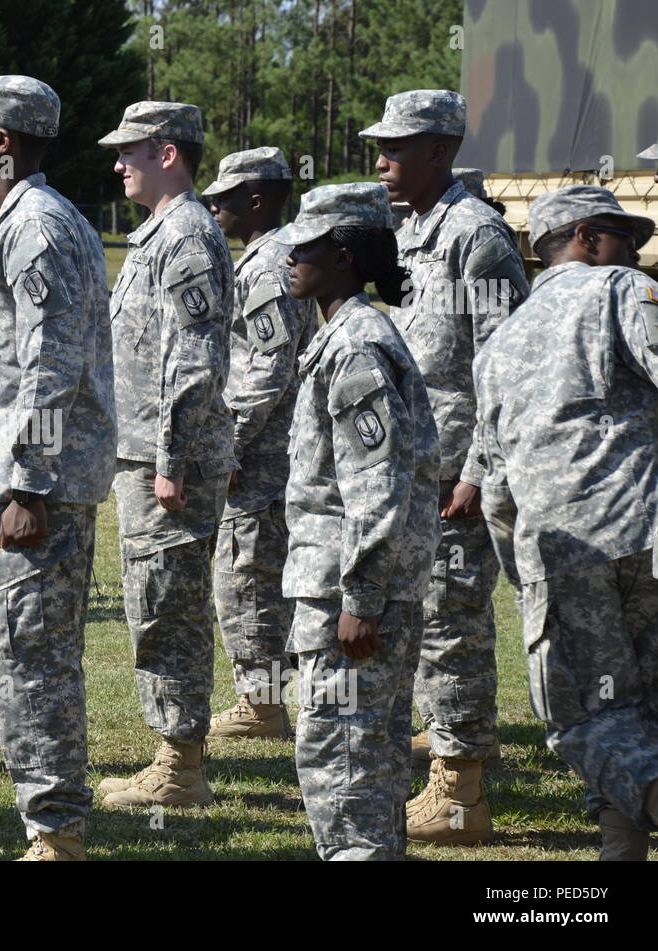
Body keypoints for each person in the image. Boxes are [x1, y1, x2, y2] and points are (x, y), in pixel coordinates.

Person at [0, 75, 115, 860]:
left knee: (32, 660)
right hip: (21, 480)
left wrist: (28, 482)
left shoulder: (37, 227)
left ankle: (57, 838)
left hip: (34, 489)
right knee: (22, 655)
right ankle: (50, 828)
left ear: (3, 141)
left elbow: (51, 366)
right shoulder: (19, 222)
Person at [359, 90, 529, 845]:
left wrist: (477, 471)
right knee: (425, 620)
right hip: (412, 469)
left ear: (440, 150)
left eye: (397, 148)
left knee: (453, 621)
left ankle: (461, 796)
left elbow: (506, 365)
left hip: (453, 475)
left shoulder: (477, 235)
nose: (383, 161)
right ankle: (448, 752)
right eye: (382, 147)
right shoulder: (414, 230)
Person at [475, 185, 658, 860]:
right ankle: (620, 847)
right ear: (584, 236)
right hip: (643, 532)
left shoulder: (501, 340)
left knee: (591, 708)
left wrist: (527, 580)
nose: (636, 252)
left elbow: (494, 483)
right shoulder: (621, 288)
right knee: (641, 703)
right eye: (624, 238)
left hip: (560, 550)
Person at [277, 181, 440, 860]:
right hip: (345, 585)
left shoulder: (355, 346)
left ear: (343, 256)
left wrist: (361, 597)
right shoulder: (348, 332)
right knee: (365, 763)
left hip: (350, 594)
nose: (289, 257)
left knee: (342, 767)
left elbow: (376, 482)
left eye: (305, 245)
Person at [94, 101, 232, 808]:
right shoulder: (161, 235)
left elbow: (195, 359)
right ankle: (174, 754)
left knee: (167, 606)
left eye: (132, 151)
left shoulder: (185, 238)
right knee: (155, 602)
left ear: (168, 154)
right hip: (147, 455)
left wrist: (172, 458)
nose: (119, 163)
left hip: (165, 462)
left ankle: (180, 768)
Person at [203, 146, 318, 740]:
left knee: (246, 575)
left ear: (255, 200)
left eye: (224, 198)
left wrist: (230, 446)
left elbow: (268, 368)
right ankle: (270, 695)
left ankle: (262, 703)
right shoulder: (272, 258)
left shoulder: (270, 264)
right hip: (275, 451)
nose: (213, 207)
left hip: (263, 455)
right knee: (265, 574)